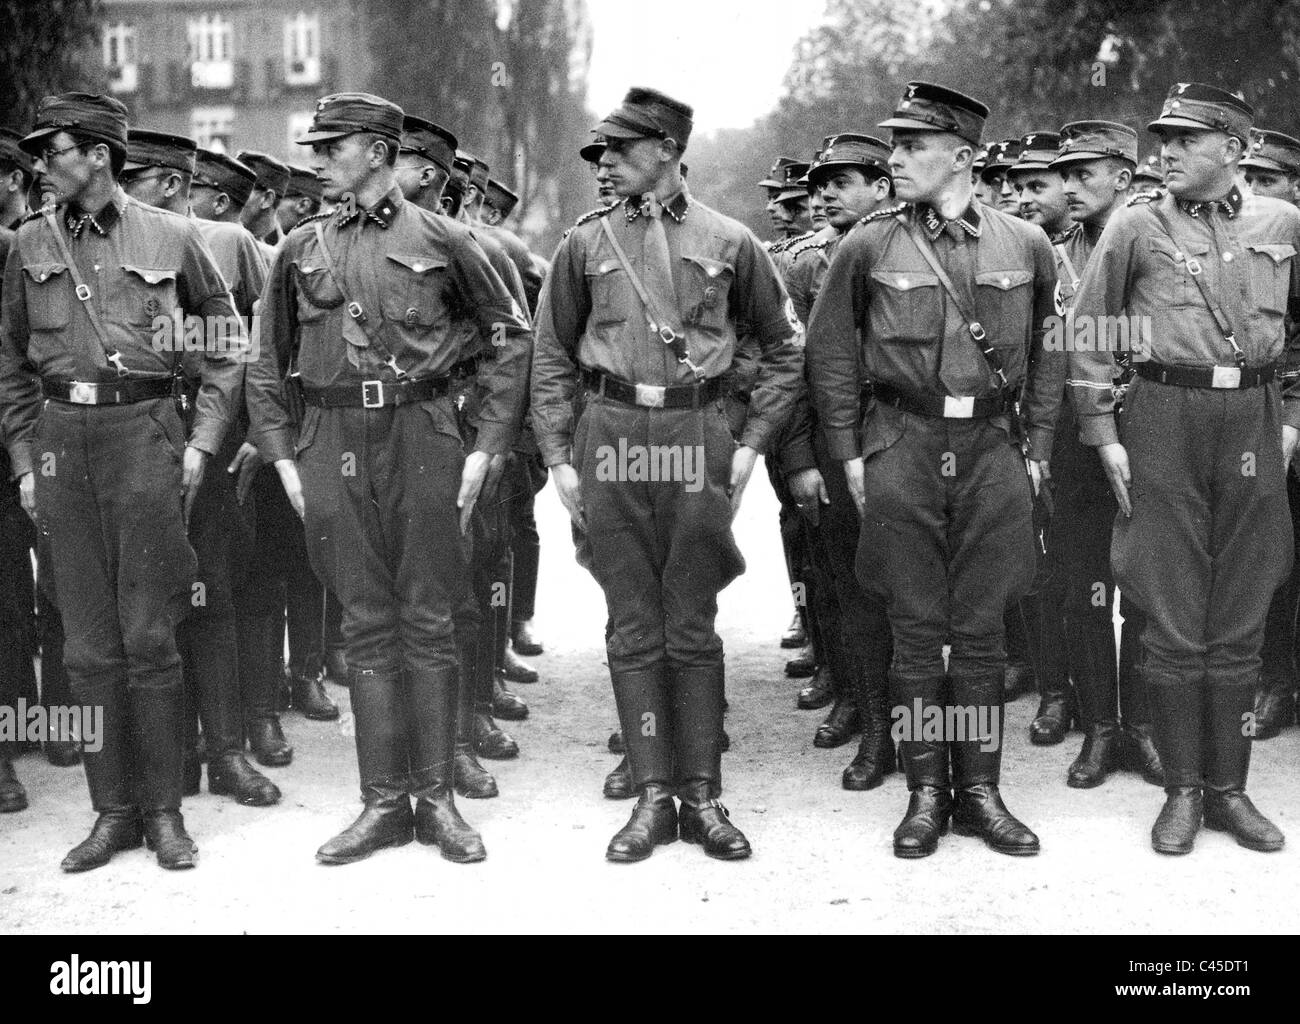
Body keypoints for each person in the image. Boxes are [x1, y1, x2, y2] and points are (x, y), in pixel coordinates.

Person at [246, 92, 532, 865]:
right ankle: (380, 804)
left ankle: (435, 802)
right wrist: (283, 457)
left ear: (376, 150)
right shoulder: (299, 248)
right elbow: (266, 360)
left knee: (430, 618)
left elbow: (510, 337)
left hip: (425, 435)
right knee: (366, 621)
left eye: (331, 145)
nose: (318, 158)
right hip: (332, 438)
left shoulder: (444, 238)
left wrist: (487, 445)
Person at [532, 86, 803, 862]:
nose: (606, 163)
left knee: (690, 619)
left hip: (696, 431)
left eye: (619, 149)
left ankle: (705, 797)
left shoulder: (732, 240)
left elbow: (785, 347)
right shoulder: (583, 246)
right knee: (630, 621)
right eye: (601, 152)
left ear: (666, 151)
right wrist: (558, 456)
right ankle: (653, 796)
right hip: (610, 432)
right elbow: (552, 355)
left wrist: (749, 443)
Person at [808, 81, 1062, 859]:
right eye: (895, 144)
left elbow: (1054, 348)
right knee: (916, 629)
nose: (896, 159)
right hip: (903, 445)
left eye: (914, 146)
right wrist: (851, 453)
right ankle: (925, 794)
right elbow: (829, 351)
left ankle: (981, 791)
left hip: (992, 450)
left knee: (980, 629)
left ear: (963, 157)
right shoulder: (868, 245)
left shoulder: (1026, 243)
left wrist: (1040, 450)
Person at [0, 93, 246, 870]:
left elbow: (225, 339)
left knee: (148, 636)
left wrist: (203, 443)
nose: (44, 165)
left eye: (58, 150)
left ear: (99, 155)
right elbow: (8, 360)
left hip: (145, 438)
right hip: (61, 446)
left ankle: (166, 813)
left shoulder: (171, 237)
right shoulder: (27, 244)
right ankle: (113, 814)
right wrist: (23, 461)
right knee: (86, 647)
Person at [1067, 83, 1300, 855]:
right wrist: (1104, 433)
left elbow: (1297, 336)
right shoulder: (1136, 224)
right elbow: (1091, 330)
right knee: (1169, 610)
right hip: (1163, 417)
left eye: (1183, 139)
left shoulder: (1284, 223)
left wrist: (1293, 421)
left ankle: (1231, 790)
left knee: (1241, 606)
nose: (1163, 151)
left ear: (1232, 150)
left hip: (1255, 419)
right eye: (1161, 137)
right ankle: (1183, 792)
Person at [119, 128, 280, 807]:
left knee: (211, 594)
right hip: (128, 445)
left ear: (167, 185)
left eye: (135, 181)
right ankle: (168, 763)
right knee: (149, 604)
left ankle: (227, 753)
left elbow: (241, 347)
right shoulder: (85, 244)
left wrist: (221, 439)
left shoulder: (209, 243)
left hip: (195, 443)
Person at [779, 132, 897, 787]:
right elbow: (787, 368)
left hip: (909, 434)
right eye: (819, 183)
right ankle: (867, 716)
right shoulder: (802, 264)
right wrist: (799, 456)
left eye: (841, 181)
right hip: (834, 439)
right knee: (845, 584)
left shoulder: (917, 245)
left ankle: (919, 730)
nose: (823, 193)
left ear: (882, 186)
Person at [1044, 120, 1160, 786]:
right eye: (1064, 175)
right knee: (1082, 585)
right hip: (1074, 439)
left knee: (1143, 585)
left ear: (1123, 176)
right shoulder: (1053, 254)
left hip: (1144, 430)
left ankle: (1141, 726)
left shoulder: (1157, 246)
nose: (1069, 187)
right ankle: (1100, 729)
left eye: (1084, 173)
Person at [1240, 128, 1300, 738]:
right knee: (1274, 563)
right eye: (1249, 180)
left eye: (1269, 183)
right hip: (1272, 419)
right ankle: (1275, 683)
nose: (1254, 193)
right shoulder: (1243, 243)